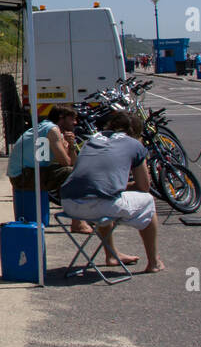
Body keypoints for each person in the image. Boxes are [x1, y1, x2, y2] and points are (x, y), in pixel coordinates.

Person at [60, 110, 164, 273]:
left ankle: (112, 255)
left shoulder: (94, 138)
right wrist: (123, 185)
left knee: (105, 198)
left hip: (68, 202)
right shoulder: (134, 144)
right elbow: (144, 186)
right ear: (135, 131)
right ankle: (154, 262)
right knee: (148, 200)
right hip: (100, 204)